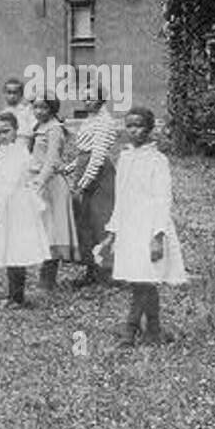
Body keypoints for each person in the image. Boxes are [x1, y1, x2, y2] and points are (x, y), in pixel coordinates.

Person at [96, 108, 187, 347]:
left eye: (138, 125)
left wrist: (157, 236)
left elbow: (162, 199)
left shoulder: (157, 160)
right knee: (139, 279)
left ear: (149, 128)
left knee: (145, 279)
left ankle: (130, 330)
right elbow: (121, 197)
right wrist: (112, 232)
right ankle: (154, 330)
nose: (133, 130)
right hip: (129, 227)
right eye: (129, 125)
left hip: (148, 227)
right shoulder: (125, 157)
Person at [0, 112, 49, 307]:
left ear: (16, 130)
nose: (2, 136)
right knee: (9, 249)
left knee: (17, 249)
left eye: (6, 131)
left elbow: (10, 183)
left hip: (17, 205)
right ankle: (13, 294)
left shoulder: (19, 153)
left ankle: (18, 296)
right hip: (6, 204)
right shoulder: (5, 151)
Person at [28, 96, 81, 290]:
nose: (39, 111)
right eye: (36, 107)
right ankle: (44, 278)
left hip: (51, 185)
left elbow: (51, 160)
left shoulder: (54, 129)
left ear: (52, 109)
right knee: (42, 230)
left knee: (52, 232)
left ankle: (47, 281)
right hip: (38, 182)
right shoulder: (38, 128)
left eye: (44, 107)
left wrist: (40, 182)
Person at [68, 92, 121, 286]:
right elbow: (85, 151)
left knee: (101, 220)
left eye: (92, 97)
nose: (87, 100)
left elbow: (97, 157)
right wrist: (70, 168)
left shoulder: (104, 122)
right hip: (84, 168)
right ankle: (91, 269)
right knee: (85, 220)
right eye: (85, 96)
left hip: (98, 176)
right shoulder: (91, 119)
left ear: (102, 99)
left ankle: (106, 273)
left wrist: (83, 184)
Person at [2, 78, 37, 146]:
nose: (12, 96)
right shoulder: (3, 113)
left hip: (23, 140)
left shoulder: (28, 110)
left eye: (15, 93)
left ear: (21, 94)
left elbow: (34, 128)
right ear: (4, 94)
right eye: (9, 93)